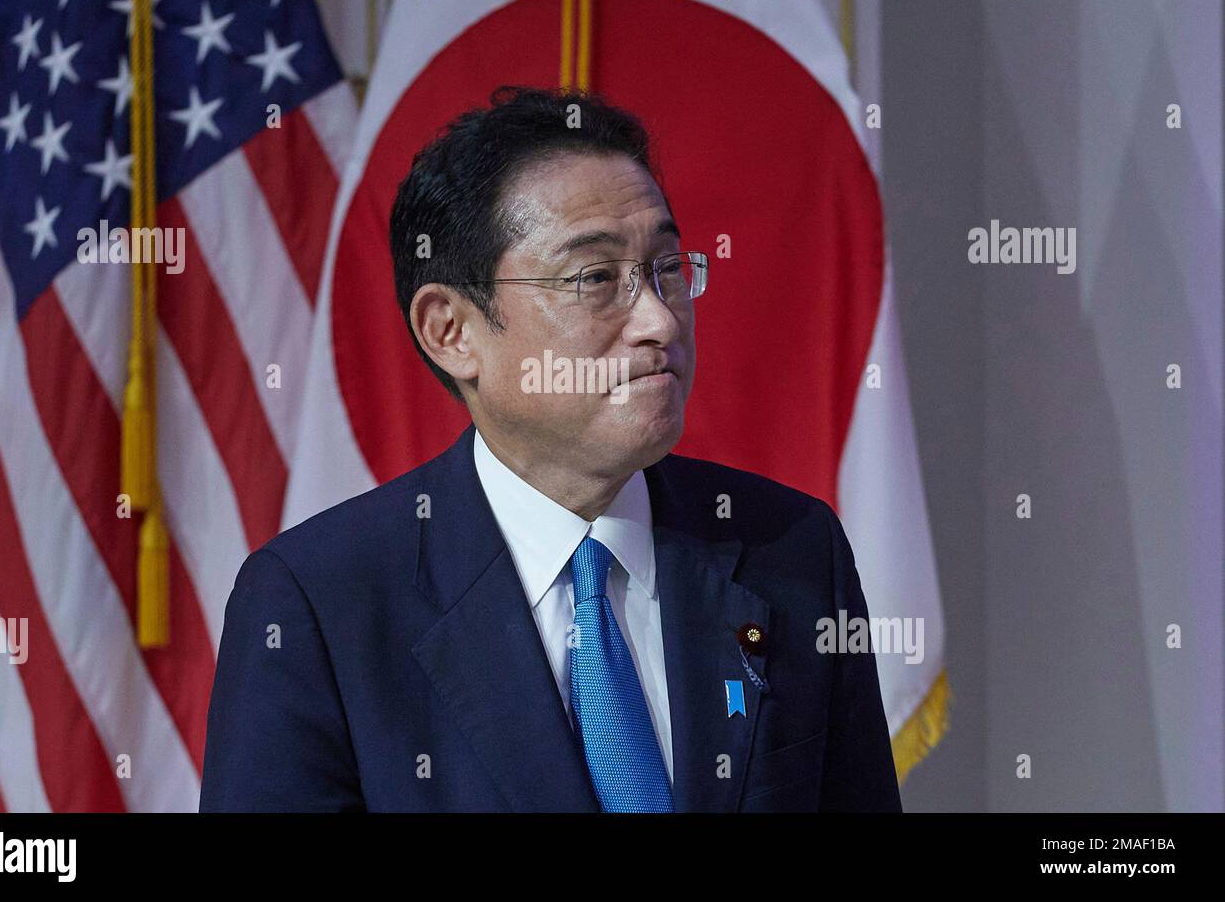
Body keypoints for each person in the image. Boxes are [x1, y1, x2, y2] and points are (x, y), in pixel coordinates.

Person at [200, 86, 902, 812]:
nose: (659, 321)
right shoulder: (322, 604)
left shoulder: (792, 552)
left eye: (668, 269)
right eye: (596, 279)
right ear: (452, 331)